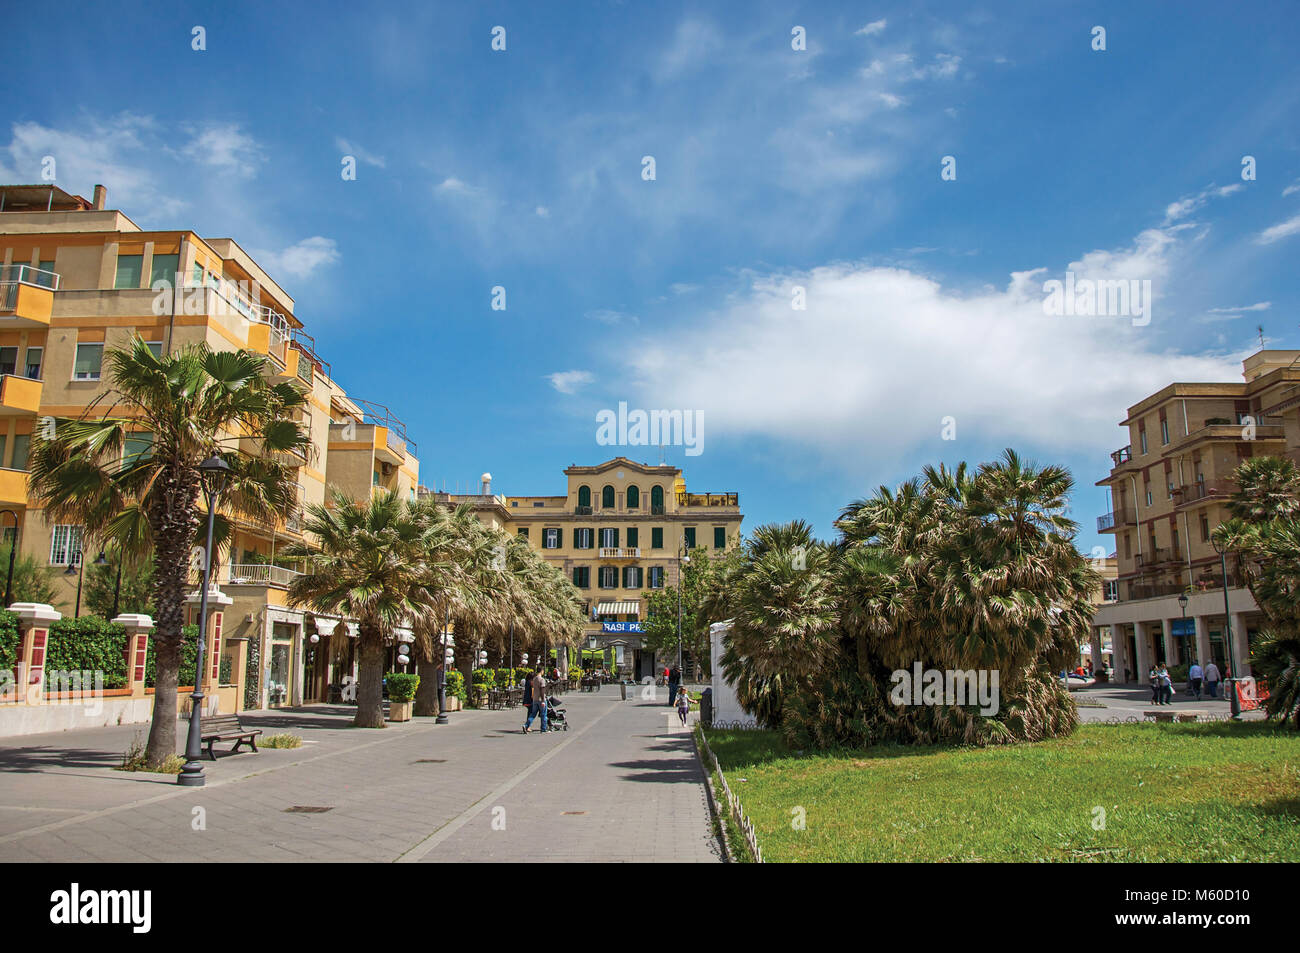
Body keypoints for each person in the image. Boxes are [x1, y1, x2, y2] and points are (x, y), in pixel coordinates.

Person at [523, 668, 549, 733]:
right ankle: (543, 728)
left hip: (535, 699)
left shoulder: (534, 679)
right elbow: (542, 690)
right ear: (542, 671)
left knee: (533, 714)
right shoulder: (542, 680)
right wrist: (543, 700)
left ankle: (526, 725)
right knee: (543, 715)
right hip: (540, 699)